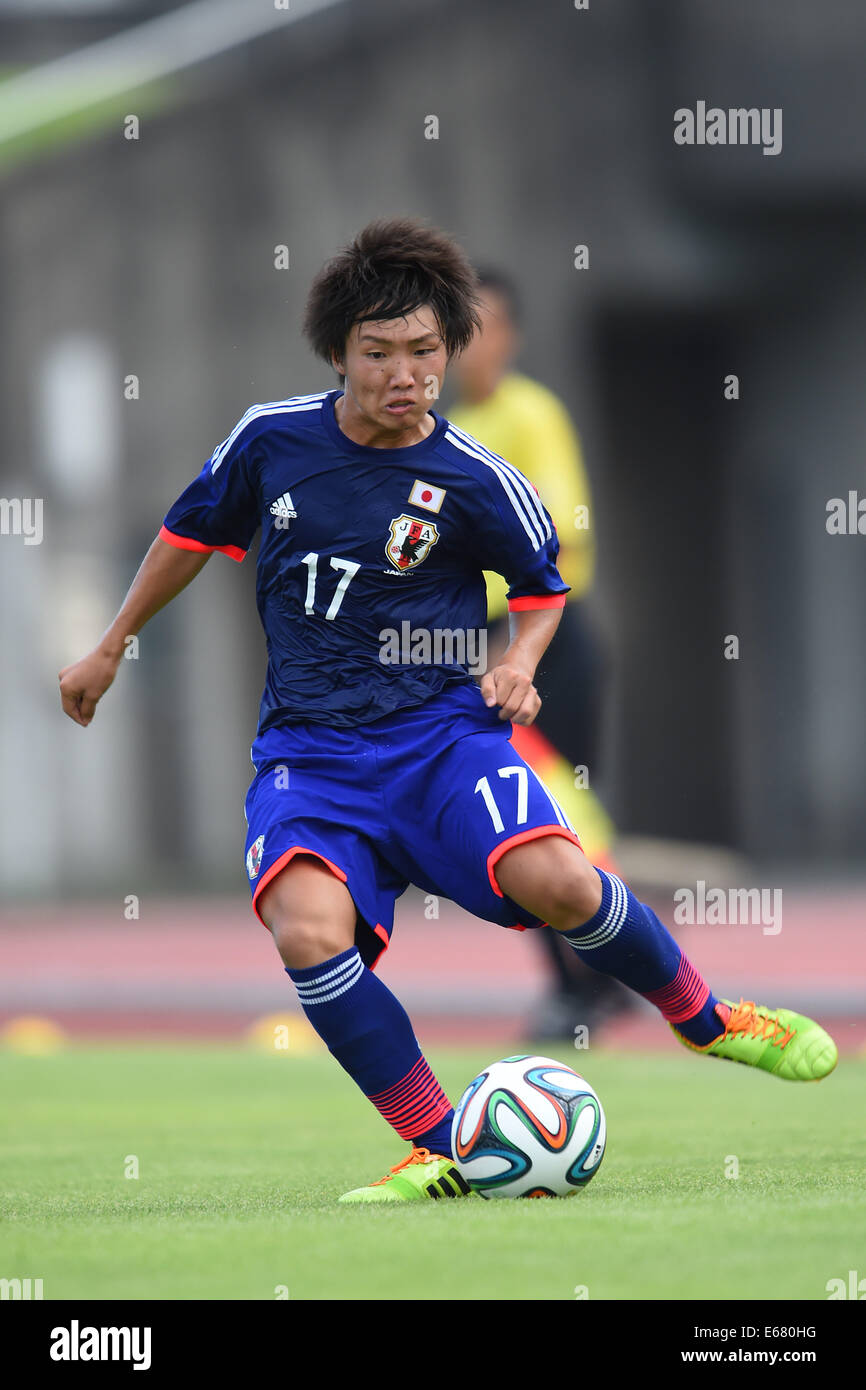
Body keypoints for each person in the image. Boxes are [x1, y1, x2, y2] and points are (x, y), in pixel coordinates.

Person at [59, 218, 837, 1205]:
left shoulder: (474, 479)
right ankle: (436, 1146)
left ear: (449, 352)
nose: (402, 372)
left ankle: (707, 1018)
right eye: (377, 352)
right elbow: (186, 530)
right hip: (312, 756)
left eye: (423, 351)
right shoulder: (270, 442)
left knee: (556, 875)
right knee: (305, 928)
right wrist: (110, 640)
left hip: (439, 738)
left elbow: (544, 586)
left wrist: (519, 659)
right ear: (337, 353)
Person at [449, 270, 627, 1037]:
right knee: (518, 821)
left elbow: (562, 525)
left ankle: (598, 981)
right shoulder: (449, 424)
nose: (469, 346)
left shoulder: (530, 413)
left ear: (511, 335)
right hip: (487, 648)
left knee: (561, 819)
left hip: (551, 641)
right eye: (460, 329)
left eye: (482, 326)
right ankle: (579, 986)